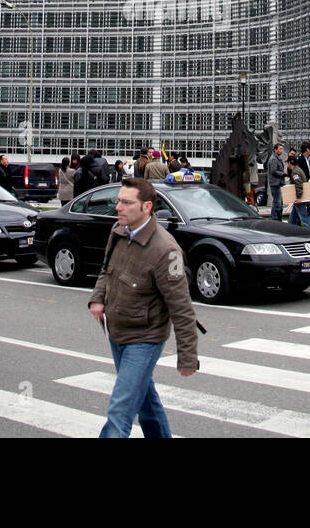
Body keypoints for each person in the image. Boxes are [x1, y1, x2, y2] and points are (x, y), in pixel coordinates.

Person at [88, 178, 198, 437]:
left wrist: (187, 357)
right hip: (117, 331)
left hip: (145, 338)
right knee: (146, 403)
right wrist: (98, 298)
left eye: (127, 203)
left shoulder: (166, 250)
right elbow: (107, 270)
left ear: (147, 207)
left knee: (120, 411)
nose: (118, 208)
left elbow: (181, 307)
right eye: (118, 201)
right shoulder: (118, 230)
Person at [285, 156, 310, 230]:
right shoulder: (298, 169)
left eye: (287, 163)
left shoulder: (295, 172)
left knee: (304, 217)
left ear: (289, 163)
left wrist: (299, 198)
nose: (287, 165)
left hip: (299, 198)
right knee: (293, 217)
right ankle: (290, 230)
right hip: (299, 198)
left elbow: (299, 185)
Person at [265, 143, 286, 221]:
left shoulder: (277, 158)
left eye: (282, 149)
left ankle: (277, 218)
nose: (282, 151)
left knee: (278, 202)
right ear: (275, 150)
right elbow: (274, 171)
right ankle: (274, 218)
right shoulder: (273, 159)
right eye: (280, 149)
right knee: (277, 202)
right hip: (275, 183)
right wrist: (283, 174)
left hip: (278, 183)